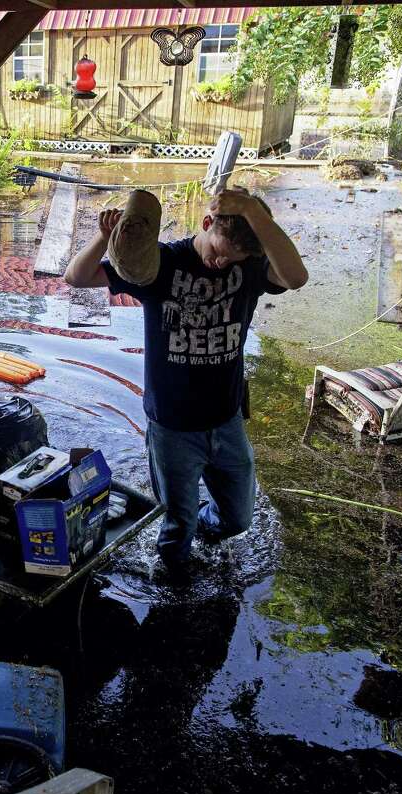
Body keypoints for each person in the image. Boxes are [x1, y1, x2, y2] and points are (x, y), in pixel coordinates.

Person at [65, 187, 308, 570]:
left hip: (226, 422)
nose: (222, 263)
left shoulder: (249, 268)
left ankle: (204, 534)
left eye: (234, 259)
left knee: (238, 518)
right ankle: (175, 583)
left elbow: (296, 277)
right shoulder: (160, 265)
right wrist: (103, 236)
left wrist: (250, 210)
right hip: (172, 426)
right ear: (206, 223)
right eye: (218, 251)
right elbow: (76, 277)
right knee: (177, 528)